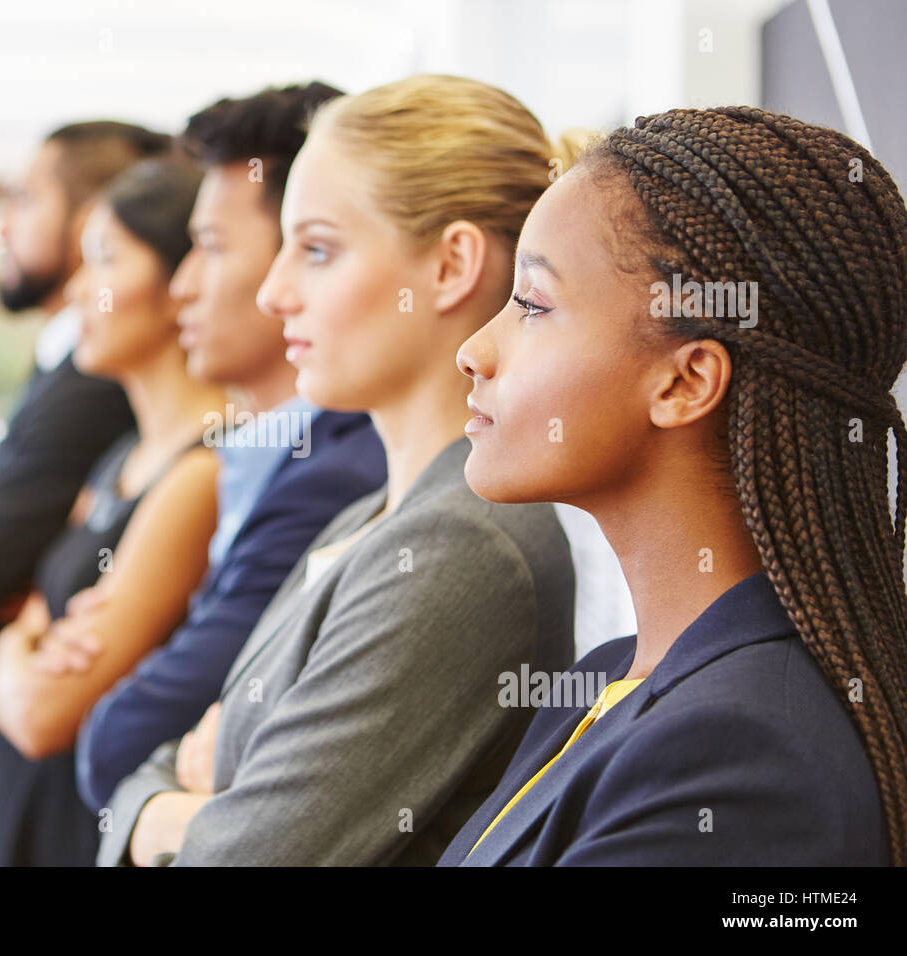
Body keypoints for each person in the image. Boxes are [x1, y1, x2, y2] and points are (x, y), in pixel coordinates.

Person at [98, 75, 577, 867]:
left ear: (451, 265)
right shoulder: (367, 518)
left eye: (316, 249)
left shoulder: (459, 547)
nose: (274, 291)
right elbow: (153, 763)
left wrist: (168, 817)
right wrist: (187, 802)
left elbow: (250, 857)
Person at [441, 106, 907, 866]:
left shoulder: (739, 754)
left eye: (531, 304)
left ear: (686, 382)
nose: (473, 350)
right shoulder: (610, 676)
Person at [65, 83, 388, 815]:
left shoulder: (336, 477)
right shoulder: (263, 458)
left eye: (209, 248)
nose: (182, 286)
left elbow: (120, 736)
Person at [0, 156, 226, 865]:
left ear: (178, 280)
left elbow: (44, 712)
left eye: (105, 261)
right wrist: (29, 644)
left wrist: (13, 655)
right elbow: (33, 616)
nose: (79, 290)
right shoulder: (121, 456)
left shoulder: (200, 471)